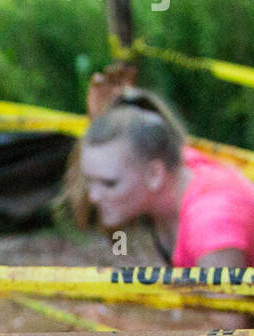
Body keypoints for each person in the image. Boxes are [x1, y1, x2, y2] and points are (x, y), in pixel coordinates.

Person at [64, 85, 254, 269]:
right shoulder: (172, 163)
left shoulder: (212, 225)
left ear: (155, 174)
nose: (94, 196)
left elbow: (222, 300)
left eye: (109, 183)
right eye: (90, 180)